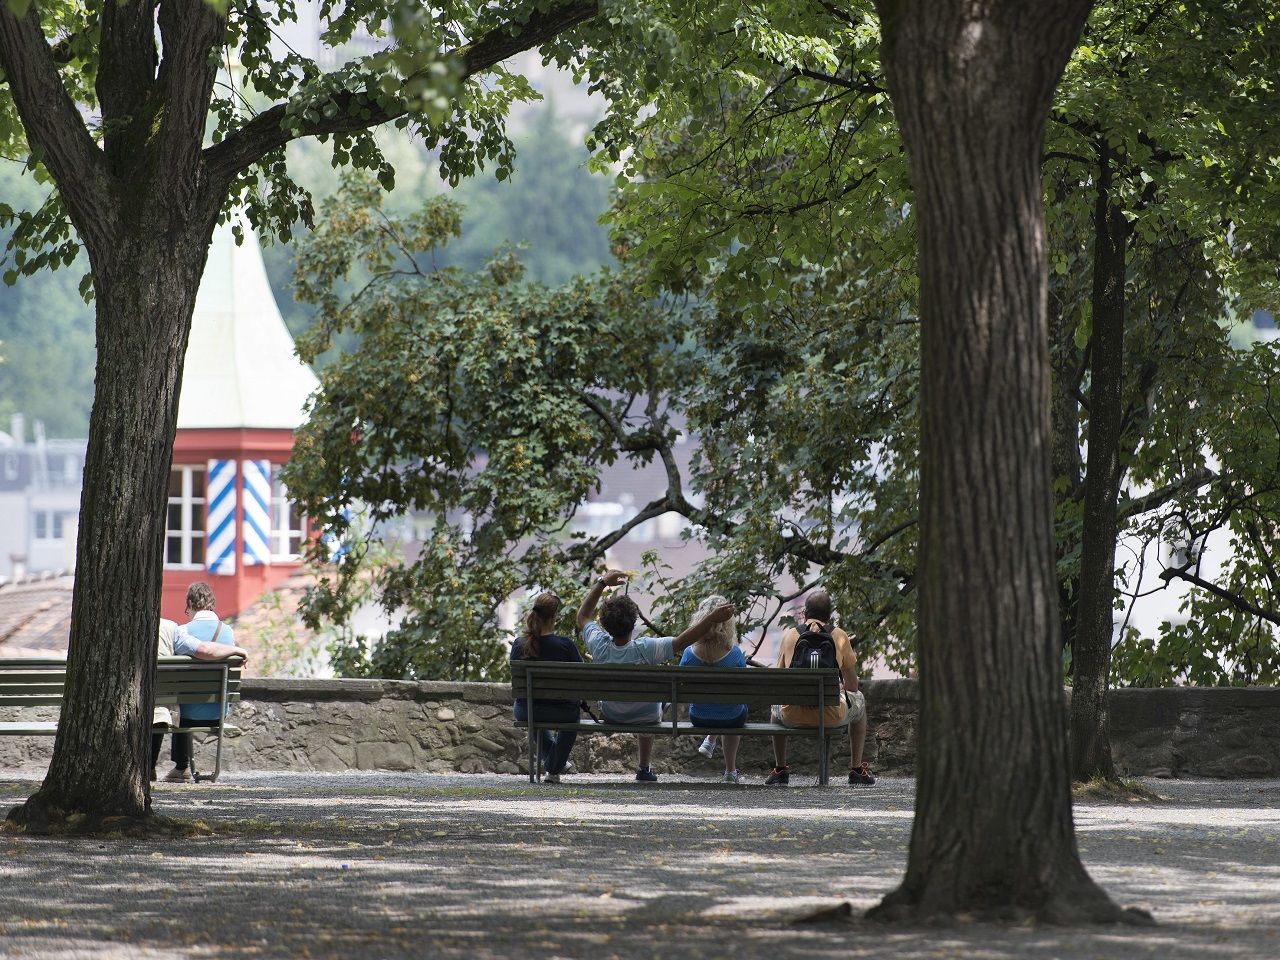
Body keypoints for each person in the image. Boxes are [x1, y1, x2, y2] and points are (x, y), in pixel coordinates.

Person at [577, 569, 735, 782]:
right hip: (646, 716)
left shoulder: (598, 644)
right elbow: (681, 642)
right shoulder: (647, 648)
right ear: (634, 623)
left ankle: (644, 767)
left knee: (647, 702)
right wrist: (712, 619)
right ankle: (643, 768)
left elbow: (583, 615)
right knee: (651, 703)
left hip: (612, 713)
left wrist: (602, 583)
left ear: (605, 625)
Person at [765, 589, 875, 787]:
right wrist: (839, 690)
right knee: (860, 701)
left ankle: (780, 769)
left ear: (804, 614)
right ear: (829, 616)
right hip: (831, 715)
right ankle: (857, 769)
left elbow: (780, 683)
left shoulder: (789, 636)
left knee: (776, 707)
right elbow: (852, 686)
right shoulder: (840, 636)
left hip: (793, 715)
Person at [158, 582, 248, 784]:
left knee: (179, 701)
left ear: (189, 604)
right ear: (212, 604)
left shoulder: (181, 631)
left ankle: (182, 767)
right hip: (218, 712)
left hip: (186, 715)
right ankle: (185, 768)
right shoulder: (227, 632)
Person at [510, 591, 581, 784]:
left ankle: (554, 765)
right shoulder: (566, 645)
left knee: (533, 711)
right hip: (562, 712)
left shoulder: (519, 644)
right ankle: (554, 767)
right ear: (554, 617)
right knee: (574, 716)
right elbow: (582, 679)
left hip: (526, 710)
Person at [678, 594, 747, 783]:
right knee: (735, 708)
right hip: (732, 717)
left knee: (726, 706)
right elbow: (744, 689)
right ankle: (730, 772)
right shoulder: (734, 654)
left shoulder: (688, 654)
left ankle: (711, 738)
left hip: (699, 716)